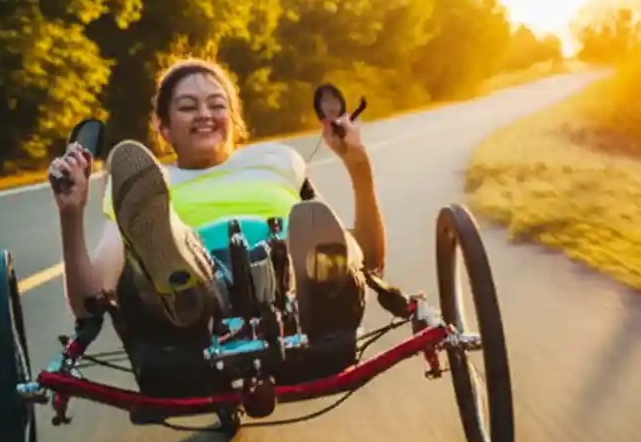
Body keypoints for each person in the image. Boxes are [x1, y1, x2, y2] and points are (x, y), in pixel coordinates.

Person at [46, 57, 387, 358]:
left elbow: (368, 260)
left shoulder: (278, 160)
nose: (205, 114)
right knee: (169, 251)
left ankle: (311, 291)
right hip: (189, 314)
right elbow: (89, 303)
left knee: (311, 227)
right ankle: (187, 287)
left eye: (217, 104)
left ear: (234, 119)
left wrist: (358, 164)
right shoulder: (144, 184)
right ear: (162, 128)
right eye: (188, 107)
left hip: (292, 283)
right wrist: (70, 214)